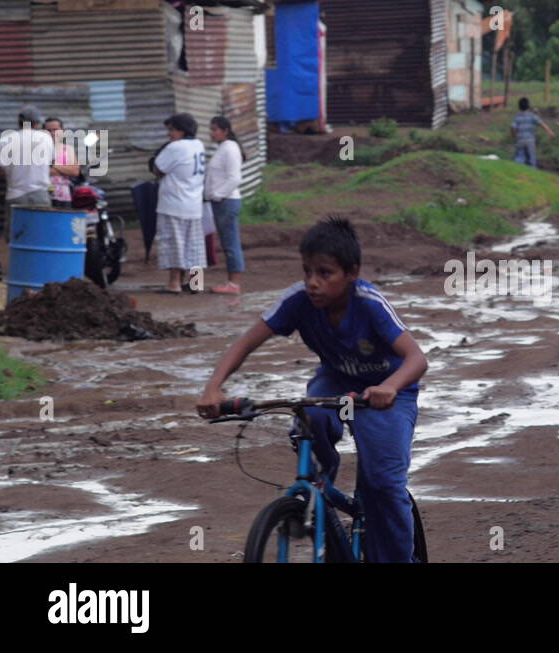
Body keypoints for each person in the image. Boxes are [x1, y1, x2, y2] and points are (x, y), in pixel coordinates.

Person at [195, 217, 428, 562]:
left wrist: (389, 387)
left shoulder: (368, 302)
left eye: (324, 273)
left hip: (385, 393)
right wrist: (214, 388)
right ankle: (318, 493)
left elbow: (416, 359)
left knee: (383, 485)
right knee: (311, 415)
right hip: (335, 382)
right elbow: (245, 343)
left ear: (351, 273)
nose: (312, 283)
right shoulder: (297, 301)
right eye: (307, 272)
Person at [152, 113, 206, 294]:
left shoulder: (176, 147)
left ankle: (174, 284)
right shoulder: (198, 145)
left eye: (172, 130)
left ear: (181, 131)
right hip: (194, 204)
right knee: (195, 246)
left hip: (173, 204)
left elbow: (157, 169)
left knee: (175, 245)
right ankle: (196, 283)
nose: (169, 134)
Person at [0, 105, 54, 240]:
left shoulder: (6, 139)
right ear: (36, 122)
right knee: (41, 237)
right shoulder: (45, 138)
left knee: (16, 238)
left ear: (19, 122)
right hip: (40, 195)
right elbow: (51, 163)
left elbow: (1, 169)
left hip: (15, 195)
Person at [205, 116, 245, 294]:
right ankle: (231, 282)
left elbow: (235, 178)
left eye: (215, 129)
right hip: (222, 201)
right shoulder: (223, 148)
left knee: (230, 242)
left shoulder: (230, 148)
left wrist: (217, 195)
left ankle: (234, 283)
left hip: (226, 201)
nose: (212, 133)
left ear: (225, 131)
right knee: (228, 241)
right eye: (211, 129)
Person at [510, 97, 555, 168]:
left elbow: (512, 127)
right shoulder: (532, 116)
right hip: (530, 140)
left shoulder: (517, 117)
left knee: (520, 155)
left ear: (519, 107)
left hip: (520, 139)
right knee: (531, 156)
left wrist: (513, 135)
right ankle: (532, 169)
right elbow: (542, 124)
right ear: (528, 106)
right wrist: (550, 132)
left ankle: (517, 168)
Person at [45, 117, 80, 208]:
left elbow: (75, 171)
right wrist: (65, 168)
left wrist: (53, 165)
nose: (52, 133)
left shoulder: (68, 149)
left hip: (65, 195)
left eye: (55, 130)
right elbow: (44, 171)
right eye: (49, 130)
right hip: (46, 194)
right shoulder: (41, 150)